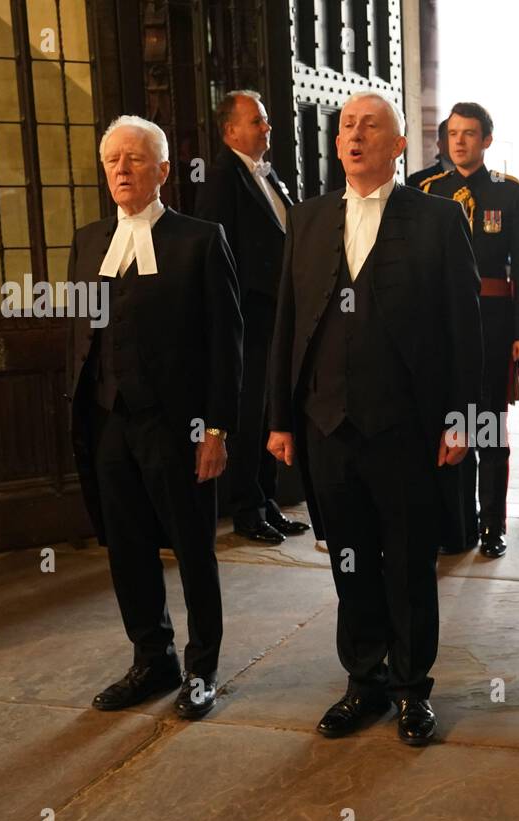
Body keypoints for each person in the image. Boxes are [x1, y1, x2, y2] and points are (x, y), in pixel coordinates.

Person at [266, 91, 483, 745]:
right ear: (337, 145)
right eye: (347, 127)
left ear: (398, 145)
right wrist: (280, 418)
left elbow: (463, 329)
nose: (356, 135)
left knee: (410, 562)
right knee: (351, 561)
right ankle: (364, 683)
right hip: (327, 424)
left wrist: (462, 419)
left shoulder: (438, 220)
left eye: (372, 126)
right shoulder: (305, 221)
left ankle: (413, 690)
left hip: (407, 427)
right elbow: (286, 323)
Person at [68, 116, 243, 719]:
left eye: (136, 159)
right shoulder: (88, 241)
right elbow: (82, 336)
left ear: (164, 171)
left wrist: (216, 428)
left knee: (194, 548)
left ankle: (202, 668)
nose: (122, 169)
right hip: (109, 422)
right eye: (113, 159)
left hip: (178, 426)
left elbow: (227, 344)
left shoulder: (200, 239)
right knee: (127, 546)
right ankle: (152, 658)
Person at [195, 90, 309, 545]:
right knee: (247, 415)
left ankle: (268, 502)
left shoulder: (269, 174)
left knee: (269, 413)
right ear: (230, 131)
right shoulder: (221, 178)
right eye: (258, 121)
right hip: (249, 316)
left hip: (278, 314)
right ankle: (246, 510)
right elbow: (217, 253)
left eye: (266, 120)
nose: (268, 128)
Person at [421, 102, 519, 558]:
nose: (461, 141)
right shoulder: (427, 190)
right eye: (453, 134)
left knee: (488, 426)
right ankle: (457, 524)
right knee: (452, 421)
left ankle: (492, 525)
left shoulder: (509, 193)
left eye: (470, 133)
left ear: (487, 140)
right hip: (441, 324)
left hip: (492, 322)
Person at [407, 119, 453, 188]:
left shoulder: (474, 179)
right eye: (453, 135)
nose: (460, 141)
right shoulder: (418, 181)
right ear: (440, 145)